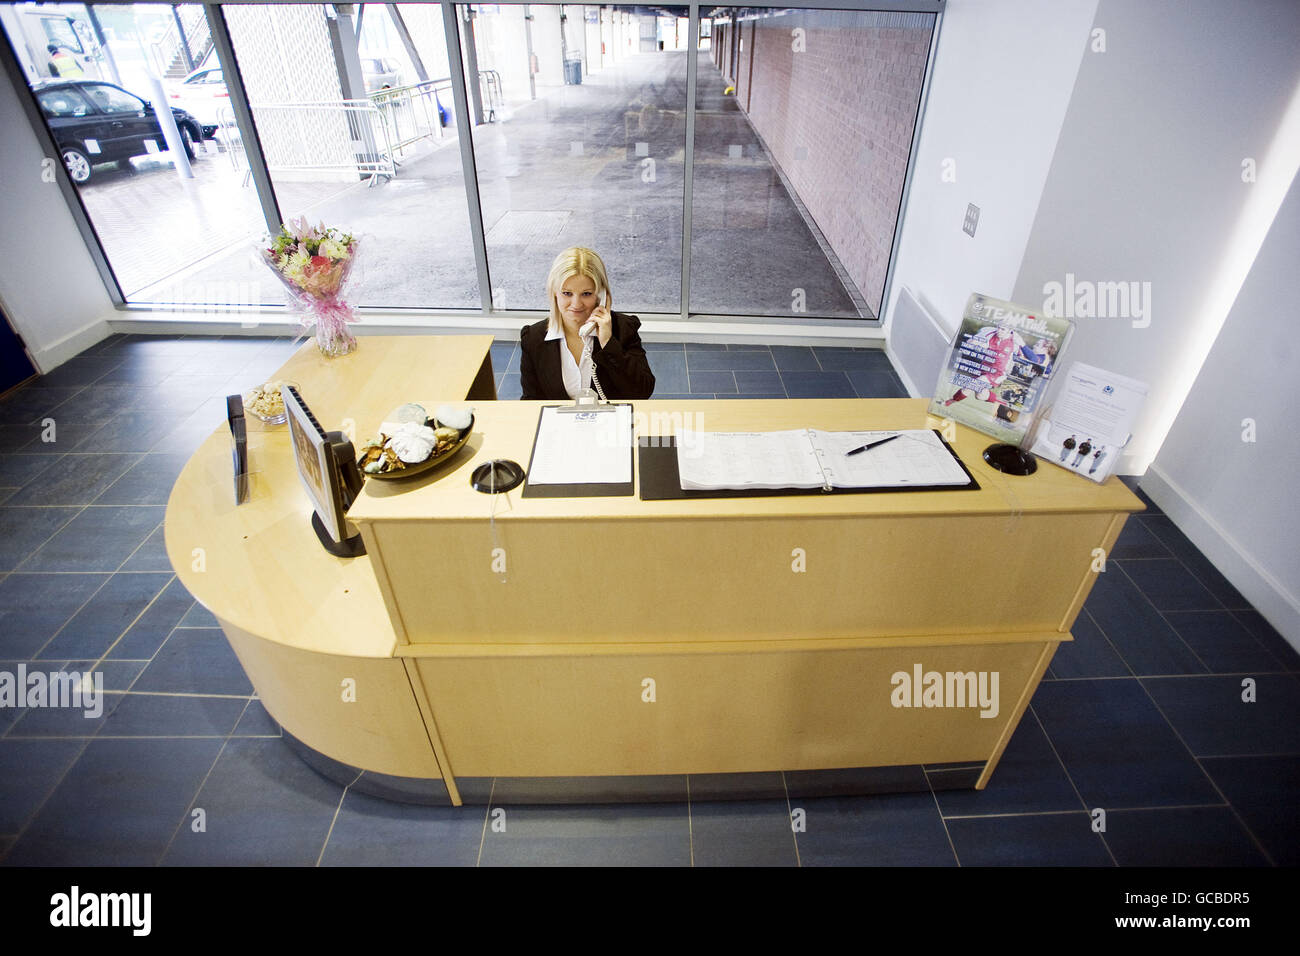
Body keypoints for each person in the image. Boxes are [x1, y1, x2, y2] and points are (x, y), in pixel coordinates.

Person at [519, 247, 655, 401]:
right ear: (554, 292)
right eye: (567, 293)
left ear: (601, 295)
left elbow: (643, 392)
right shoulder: (533, 339)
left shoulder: (623, 328)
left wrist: (608, 343)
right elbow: (530, 401)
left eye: (586, 294)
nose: (576, 304)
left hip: (610, 422)